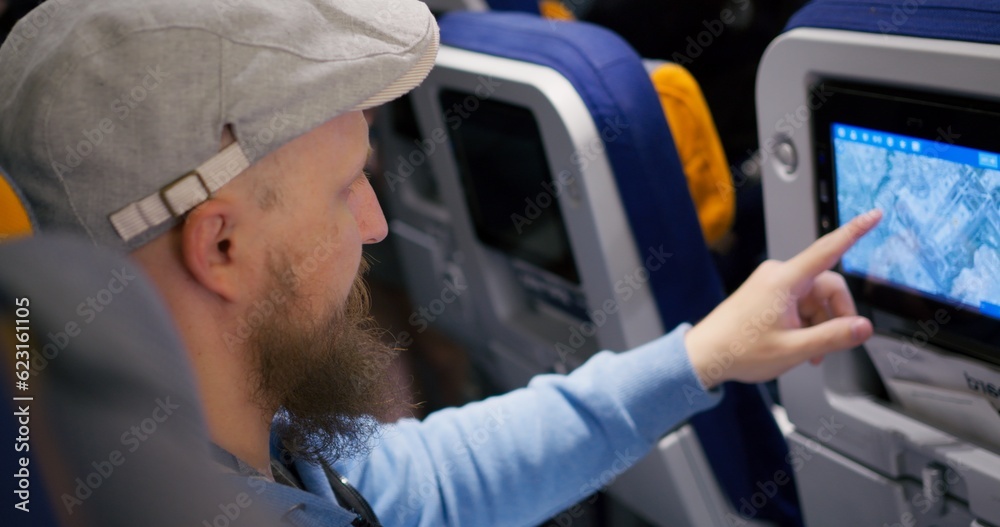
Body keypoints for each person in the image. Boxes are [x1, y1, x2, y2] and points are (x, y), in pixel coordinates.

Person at [0, 0, 881, 525]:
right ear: (222, 245)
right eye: (350, 186)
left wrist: (707, 354)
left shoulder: (190, 452)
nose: (379, 226)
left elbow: (420, 480)